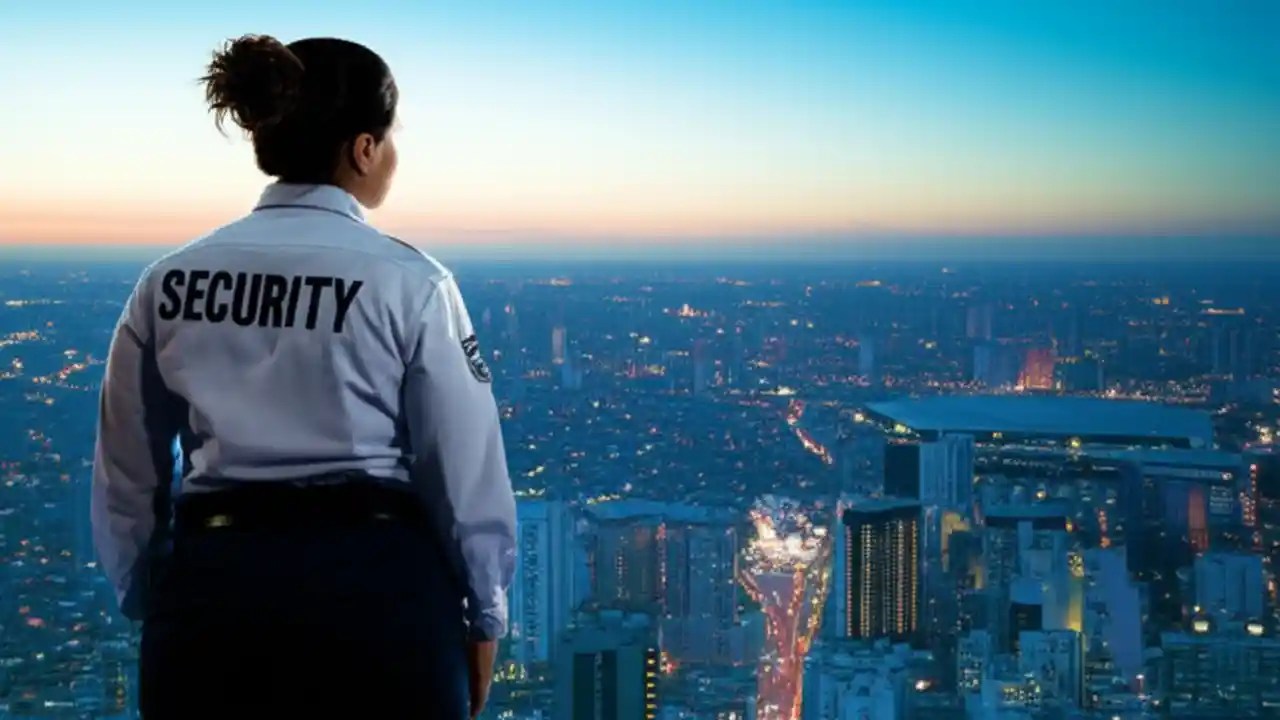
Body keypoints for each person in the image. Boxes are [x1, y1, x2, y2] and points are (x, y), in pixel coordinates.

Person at [90, 34, 516, 719]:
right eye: (389, 136)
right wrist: (485, 619)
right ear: (363, 149)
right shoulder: (411, 283)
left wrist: (156, 601)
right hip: (381, 599)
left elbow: (126, 475)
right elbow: (466, 474)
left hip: (211, 595)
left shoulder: (165, 282)